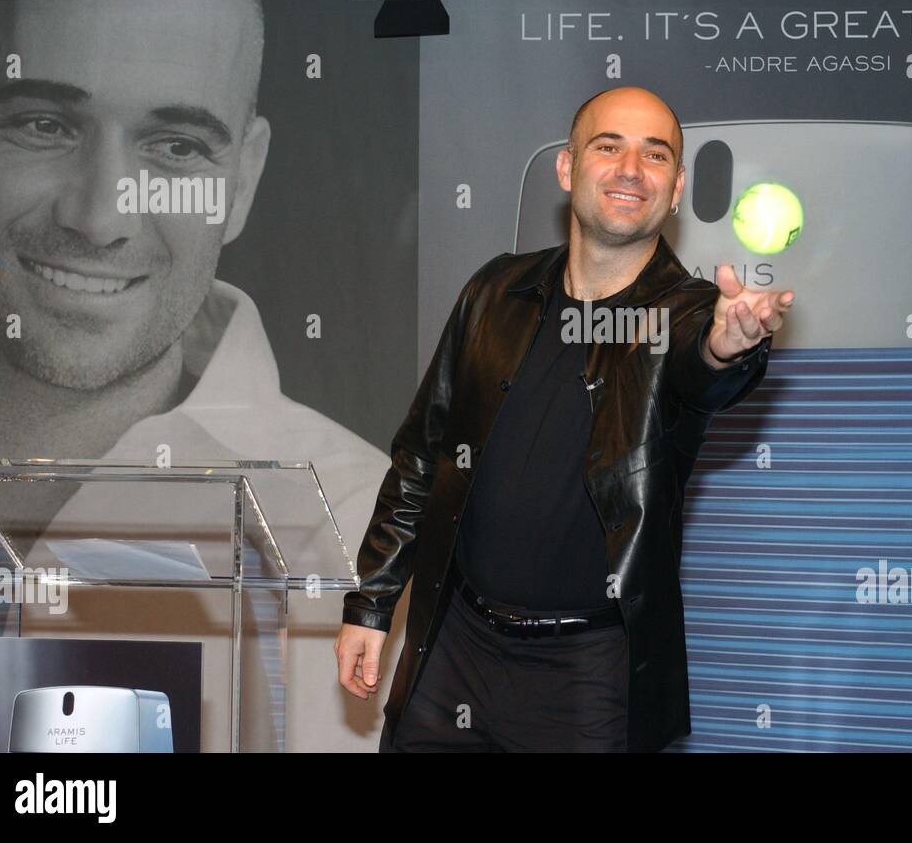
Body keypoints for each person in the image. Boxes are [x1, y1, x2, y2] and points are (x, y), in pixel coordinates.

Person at [0, 0, 391, 752]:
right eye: (45, 125)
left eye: (177, 147)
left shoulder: (369, 529)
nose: (100, 217)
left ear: (245, 179)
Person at [336, 86, 796, 752]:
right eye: (608, 146)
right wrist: (372, 604)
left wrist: (730, 345)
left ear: (676, 189)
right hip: (453, 652)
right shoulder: (494, 292)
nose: (630, 168)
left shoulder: (683, 314)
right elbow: (422, 455)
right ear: (567, 168)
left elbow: (706, 362)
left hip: (589, 678)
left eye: (655, 154)